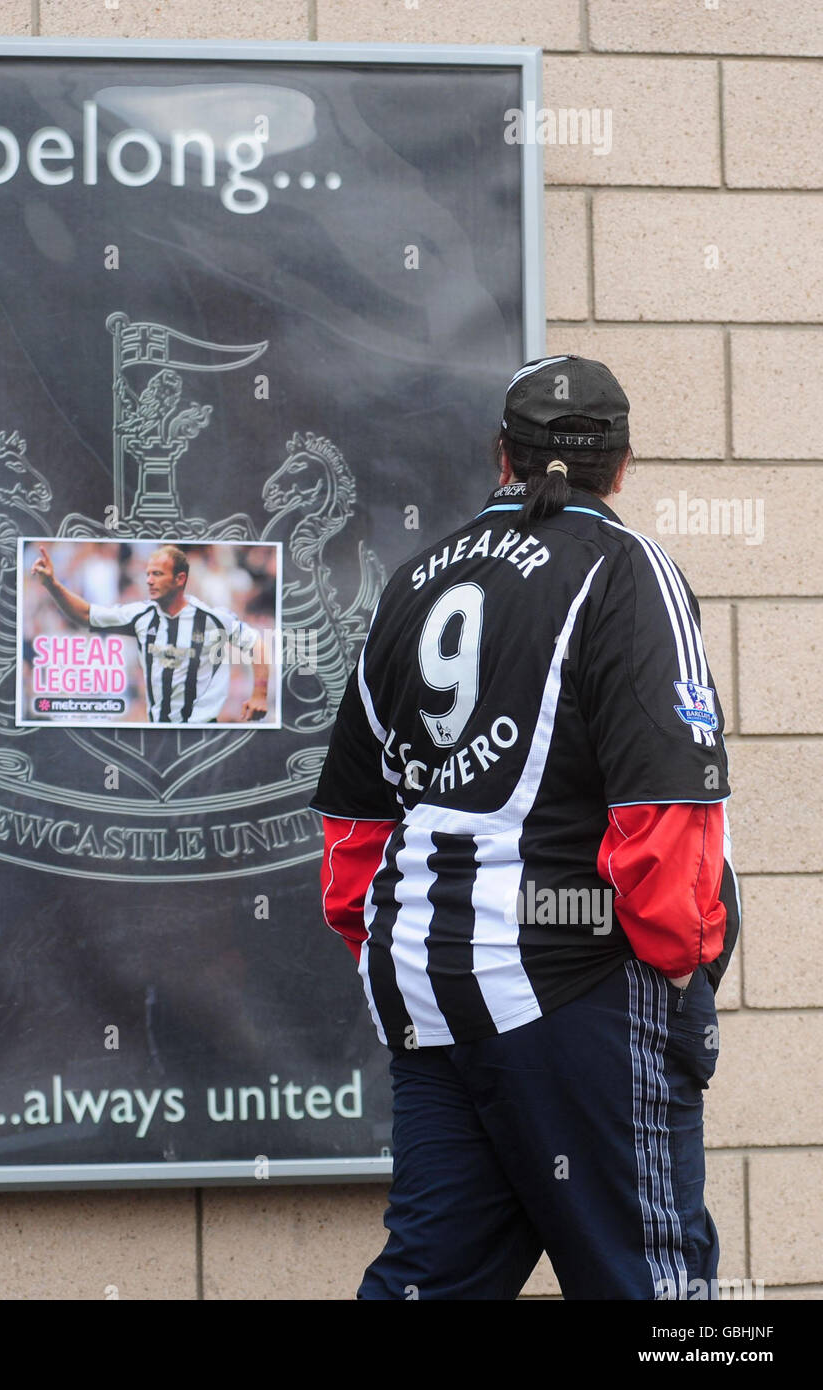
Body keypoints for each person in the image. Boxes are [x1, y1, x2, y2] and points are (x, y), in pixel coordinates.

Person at [310, 355, 740, 1300]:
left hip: (434, 993)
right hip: (577, 986)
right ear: (622, 465)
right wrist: (683, 970)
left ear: (502, 455)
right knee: (659, 1290)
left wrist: (410, 944)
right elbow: (666, 815)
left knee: (429, 1283)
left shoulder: (414, 579)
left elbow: (352, 832)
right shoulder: (630, 572)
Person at [31, 543, 270, 724]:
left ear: (180, 579)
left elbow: (257, 645)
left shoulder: (212, 618)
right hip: (159, 729)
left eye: (158, 574)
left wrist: (259, 693)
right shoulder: (141, 615)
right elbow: (84, 615)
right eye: (148, 574)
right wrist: (52, 584)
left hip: (203, 731)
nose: (149, 581)